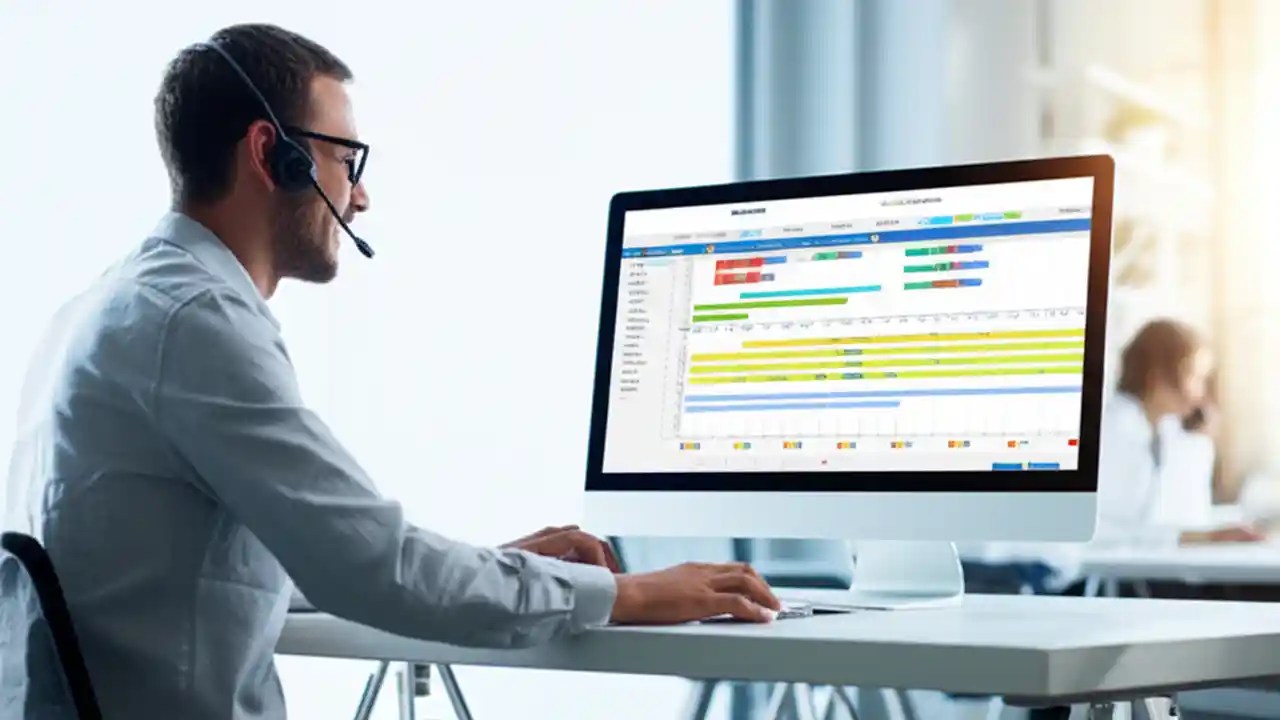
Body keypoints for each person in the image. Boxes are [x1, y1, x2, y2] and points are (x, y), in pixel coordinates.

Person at [2, 23, 779, 720]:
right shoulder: (196, 323)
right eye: (347, 161)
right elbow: (375, 569)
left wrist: (498, 570)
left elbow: (256, 568)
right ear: (275, 154)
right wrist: (625, 594)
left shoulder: (108, 306)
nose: (361, 196)